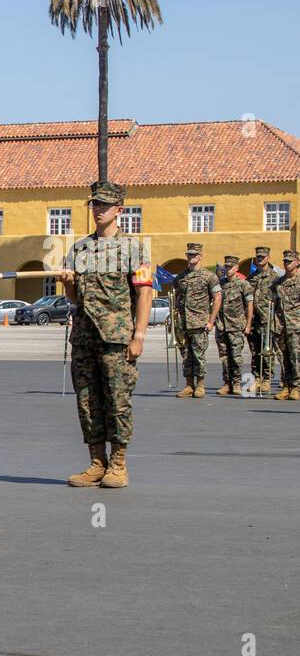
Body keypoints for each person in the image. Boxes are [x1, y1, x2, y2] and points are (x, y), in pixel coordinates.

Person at [57, 181, 155, 488]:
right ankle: (96, 462)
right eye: (95, 205)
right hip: (85, 338)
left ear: (119, 211)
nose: (98, 210)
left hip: (116, 338)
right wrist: (67, 282)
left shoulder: (133, 248)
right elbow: (74, 299)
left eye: (105, 205)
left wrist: (138, 335)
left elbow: (144, 293)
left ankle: (118, 464)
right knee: (87, 400)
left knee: (117, 399)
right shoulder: (79, 249)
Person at [171, 243, 220, 399]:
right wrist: (173, 318)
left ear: (200, 256)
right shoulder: (180, 277)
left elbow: (217, 298)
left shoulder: (209, 277)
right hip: (182, 322)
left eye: (194, 254)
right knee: (185, 355)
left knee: (199, 355)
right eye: (189, 254)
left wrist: (211, 321)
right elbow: (175, 297)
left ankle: (200, 385)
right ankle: (188, 385)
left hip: (199, 322)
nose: (191, 257)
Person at [215, 256, 253, 396]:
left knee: (236, 356)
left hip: (236, 326)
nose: (228, 269)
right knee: (224, 356)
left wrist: (248, 324)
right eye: (226, 266)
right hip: (222, 326)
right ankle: (227, 383)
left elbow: (249, 305)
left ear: (236, 268)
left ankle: (236, 383)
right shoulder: (220, 284)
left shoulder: (243, 284)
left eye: (231, 267)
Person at [246, 246, 280, 395]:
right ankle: (257, 378)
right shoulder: (251, 278)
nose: (260, 259)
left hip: (268, 320)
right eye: (258, 257)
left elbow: (279, 301)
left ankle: (267, 379)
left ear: (268, 258)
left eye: (263, 257)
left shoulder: (275, 278)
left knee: (267, 351)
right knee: (255, 352)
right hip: (253, 320)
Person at [273, 249, 300, 401]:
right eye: (285, 261)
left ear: (297, 263)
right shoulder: (278, 283)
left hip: (296, 326)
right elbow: (273, 304)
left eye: (289, 261)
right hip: (280, 326)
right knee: (283, 358)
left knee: (296, 357)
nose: (286, 264)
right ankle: (286, 386)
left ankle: (296, 387)